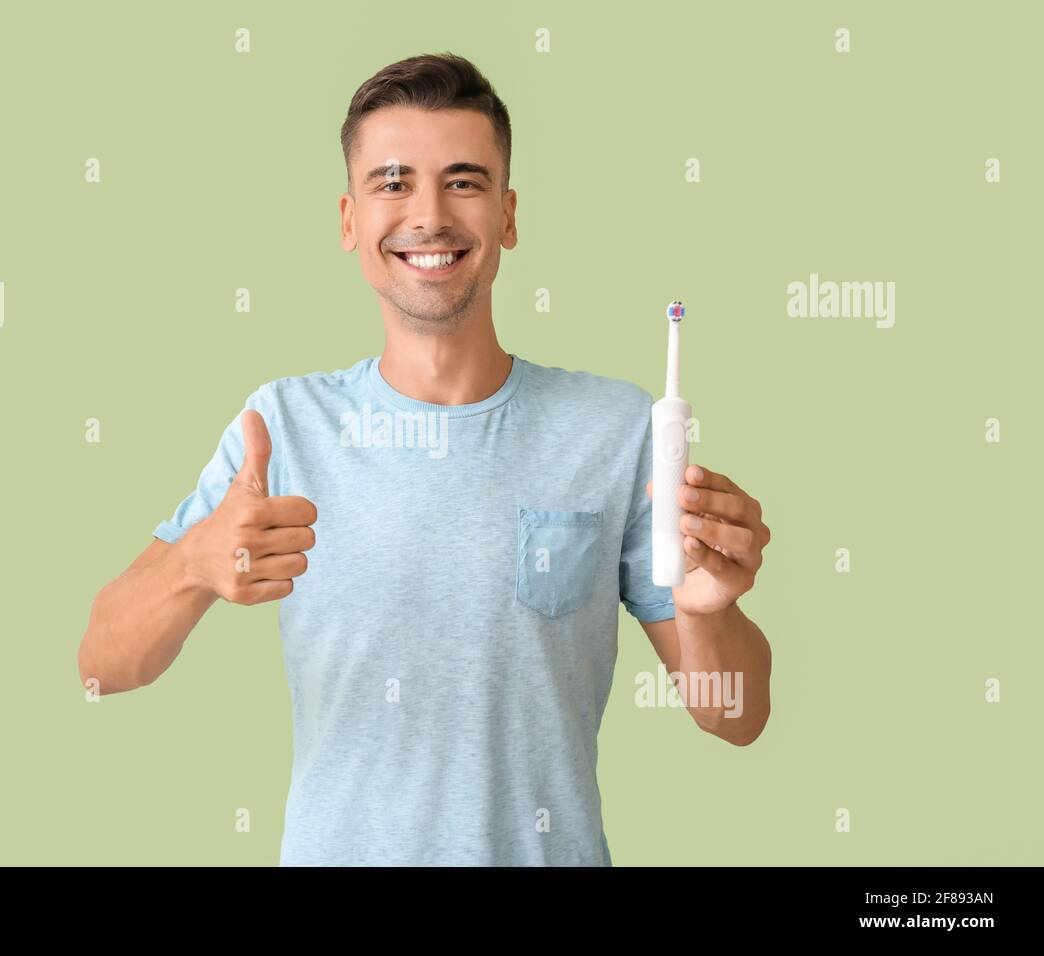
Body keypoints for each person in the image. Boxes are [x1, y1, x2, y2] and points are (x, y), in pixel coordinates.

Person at [77, 52, 773, 866]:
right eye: (393, 182)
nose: (429, 215)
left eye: (465, 181)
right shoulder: (281, 430)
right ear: (348, 221)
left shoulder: (616, 430)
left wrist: (706, 611)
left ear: (508, 216)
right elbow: (100, 666)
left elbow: (739, 716)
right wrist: (192, 564)